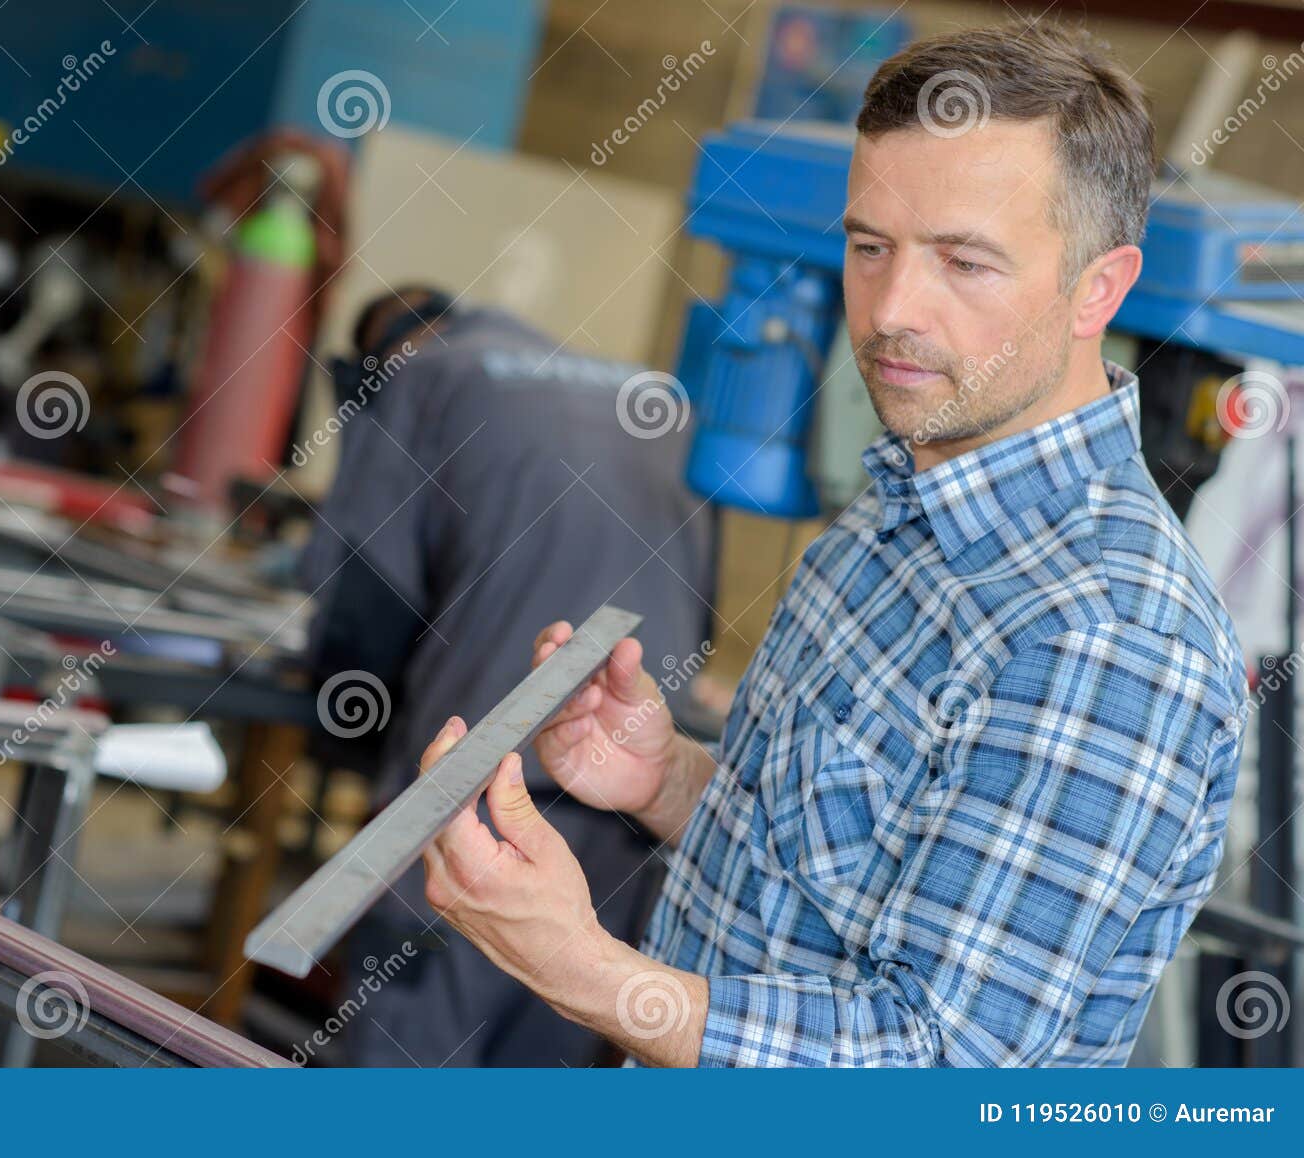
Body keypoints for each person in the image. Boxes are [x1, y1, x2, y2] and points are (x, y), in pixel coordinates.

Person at [415, 22, 1250, 1066]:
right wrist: (666, 777)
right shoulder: (892, 510)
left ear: (1099, 288)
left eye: (964, 261)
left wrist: (580, 968)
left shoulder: (1103, 639)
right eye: (869, 247)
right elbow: (839, 876)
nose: (893, 311)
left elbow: (939, 1070)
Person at [296, 288, 714, 1065]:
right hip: (636, 791)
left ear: (389, 352)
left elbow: (364, 601)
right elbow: (703, 610)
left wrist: (344, 735)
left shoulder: (420, 377)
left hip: (477, 790)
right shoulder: (647, 391)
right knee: (549, 1063)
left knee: (407, 1061)